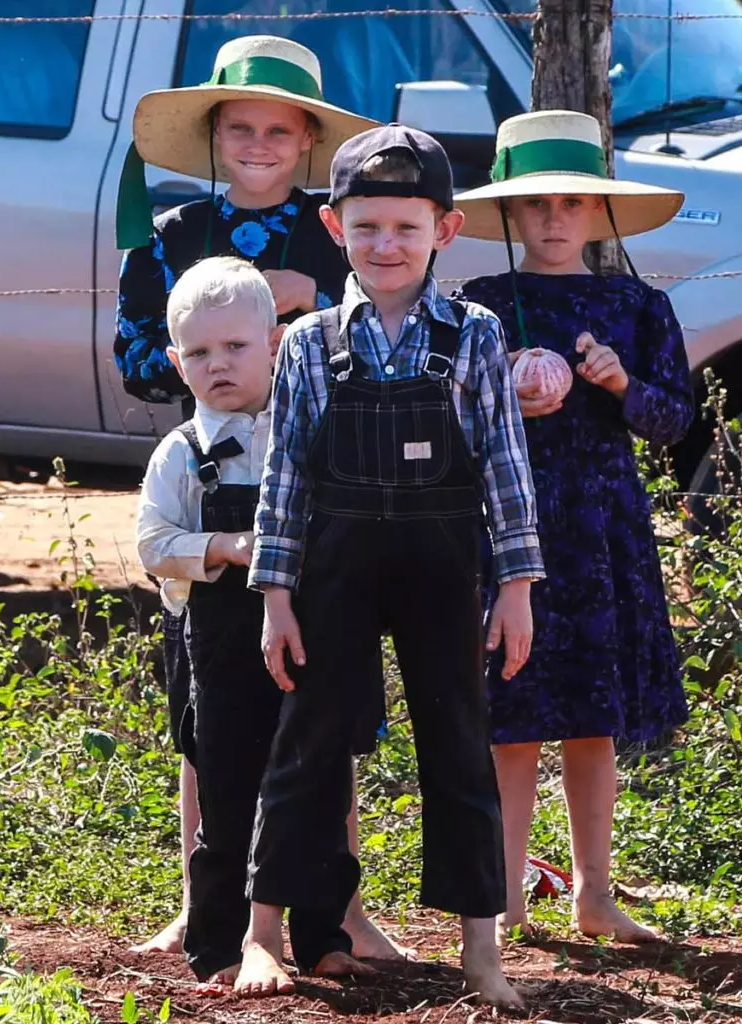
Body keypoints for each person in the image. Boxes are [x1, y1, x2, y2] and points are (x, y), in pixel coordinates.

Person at [240, 124, 545, 1006]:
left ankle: (480, 952)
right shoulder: (306, 345)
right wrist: (275, 593)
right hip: (334, 560)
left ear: (444, 231)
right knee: (307, 740)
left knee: (457, 744)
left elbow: (504, 466)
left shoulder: (475, 335)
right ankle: (264, 933)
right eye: (366, 225)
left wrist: (516, 586)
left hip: (442, 562)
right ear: (335, 226)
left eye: (406, 228)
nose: (386, 245)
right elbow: (285, 473)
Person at [115, 35, 395, 959]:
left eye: (280, 129)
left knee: (323, 713)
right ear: (215, 133)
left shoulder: (337, 231)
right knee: (208, 720)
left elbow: (373, 349)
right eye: (242, 126)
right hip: (207, 486)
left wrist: (299, 315)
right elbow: (141, 362)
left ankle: (341, 908)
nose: (260, 143)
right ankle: (207, 903)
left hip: (317, 493)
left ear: (308, 139)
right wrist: (225, 337)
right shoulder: (174, 237)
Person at [453, 109, 691, 945]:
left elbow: (672, 421)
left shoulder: (637, 305)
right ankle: (505, 897)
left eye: (572, 203)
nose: (554, 220)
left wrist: (622, 384)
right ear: (511, 215)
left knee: (596, 718)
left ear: (599, 210)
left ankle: (595, 893)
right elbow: (450, 414)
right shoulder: (478, 306)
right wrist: (504, 377)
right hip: (510, 532)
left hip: (604, 531)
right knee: (510, 718)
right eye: (536, 205)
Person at [136, 256, 377, 989]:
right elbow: (152, 544)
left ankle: (322, 933)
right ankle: (219, 943)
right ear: (178, 363)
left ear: (274, 344)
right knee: (229, 785)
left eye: (236, 347)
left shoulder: (305, 429)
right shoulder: (182, 454)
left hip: (309, 633)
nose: (219, 366)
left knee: (318, 782)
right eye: (200, 354)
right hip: (222, 641)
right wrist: (222, 547)